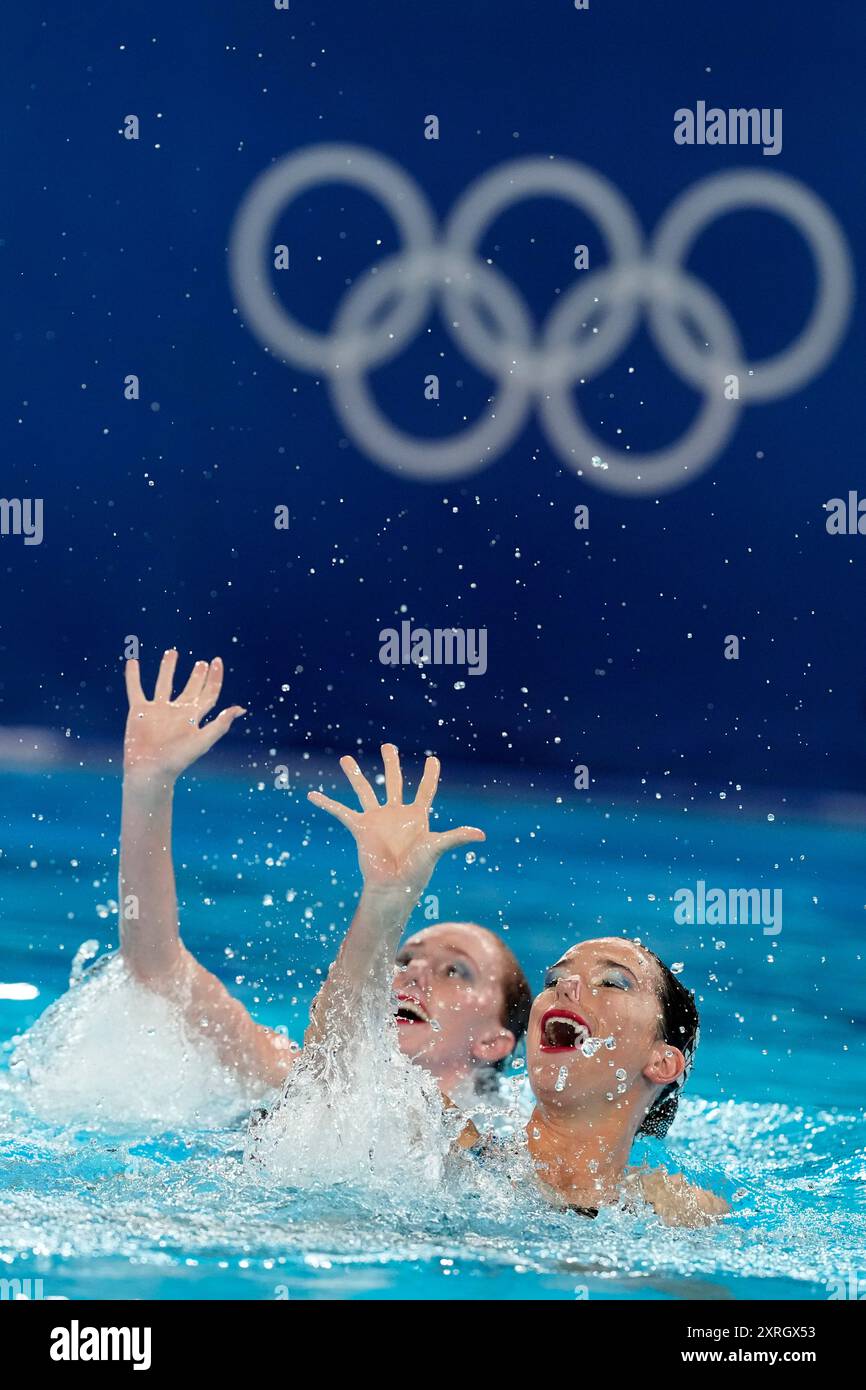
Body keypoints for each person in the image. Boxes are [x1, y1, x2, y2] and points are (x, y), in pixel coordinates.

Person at [118, 650, 529, 1098]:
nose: (414, 975)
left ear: (493, 1041)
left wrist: (390, 902)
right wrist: (147, 788)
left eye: (456, 971)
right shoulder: (286, 1074)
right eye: (404, 958)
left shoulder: (494, 1153)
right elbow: (158, 968)